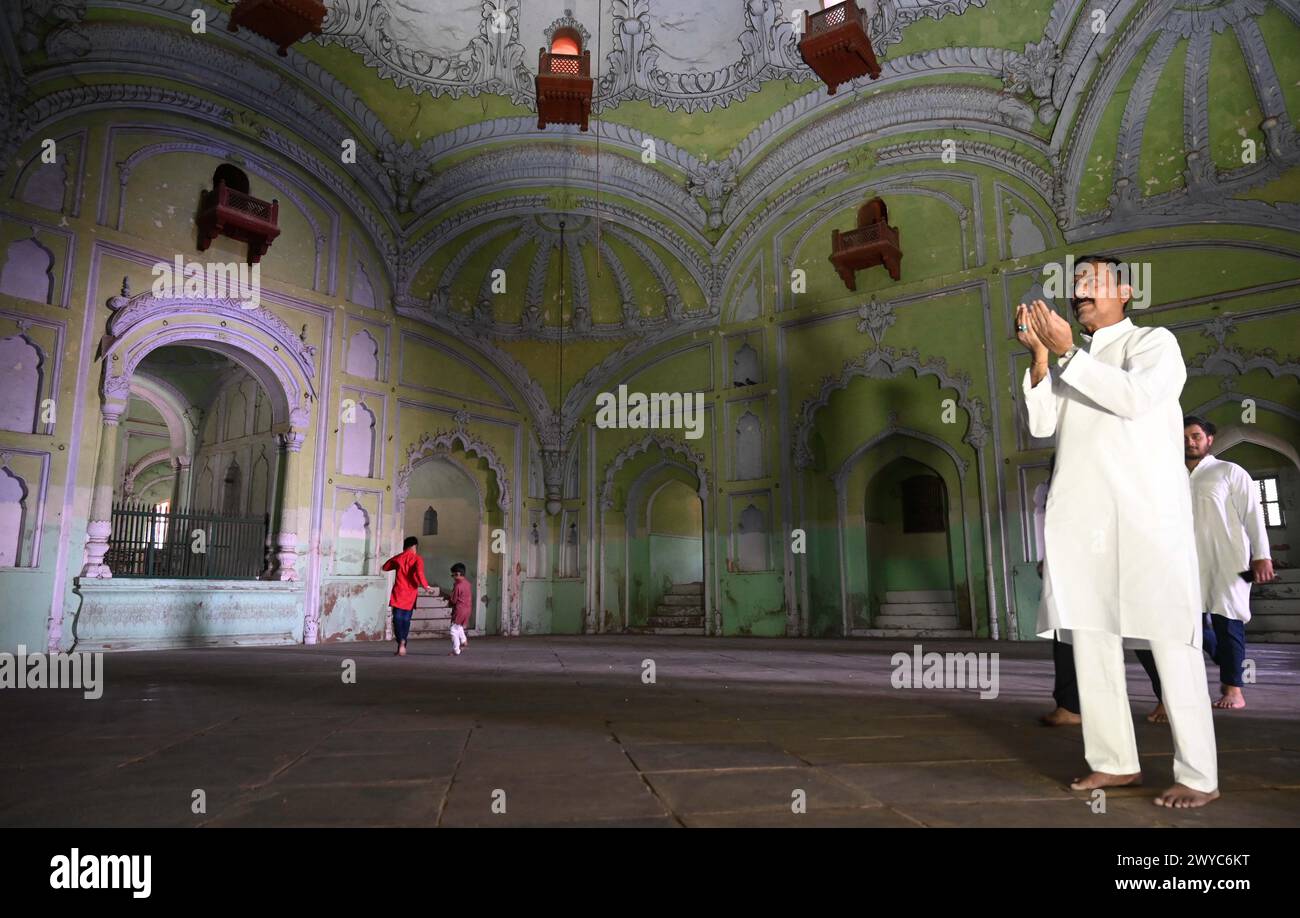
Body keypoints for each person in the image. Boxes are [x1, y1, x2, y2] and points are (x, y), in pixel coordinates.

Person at [1019, 254, 1219, 808]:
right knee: (1091, 637)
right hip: (1082, 520)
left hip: (1145, 518)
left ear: (1126, 291)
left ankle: (1199, 774)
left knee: (1170, 637)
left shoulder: (1154, 343)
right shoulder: (1071, 359)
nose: (1080, 292)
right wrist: (1041, 355)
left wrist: (1064, 350)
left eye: (1092, 282)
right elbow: (1041, 425)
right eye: (1075, 285)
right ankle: (1114, 762)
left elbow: (1133, 399)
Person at [1184, 415, 1274, 709]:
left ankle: (1234, 690)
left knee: (1228, 620)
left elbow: (1252, 514)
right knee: (1191, 625)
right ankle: (1229, 668)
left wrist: (1262, 555)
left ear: (1209, 439)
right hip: (1187, 563)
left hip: (1230, 562)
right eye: (1184, 437)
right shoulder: (1172, 477)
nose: (1190, 442)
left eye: (1196, 436)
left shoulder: (1229, 472)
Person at [382, 536, 433, 657]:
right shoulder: (417, 559)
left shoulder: (399, 557)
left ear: (405, 547)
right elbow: (420, 573)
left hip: (398, 594)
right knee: (406, 620)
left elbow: (385, 567)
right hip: (410, 595)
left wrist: (398, 558)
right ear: (414, 547)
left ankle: (401, 642)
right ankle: (403, 642)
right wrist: (426, 586)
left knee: (397, 620)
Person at [448, 562, 473, 656]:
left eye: (453, 575)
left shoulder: (458, 586)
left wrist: (449, 598)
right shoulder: (467, 583)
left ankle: (456, 650)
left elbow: (454, 600)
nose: (453, 577)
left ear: (458, 574)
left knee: (453, 629)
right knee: (459, 626)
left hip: (460, 610)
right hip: (468, 609)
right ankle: (463, 640)